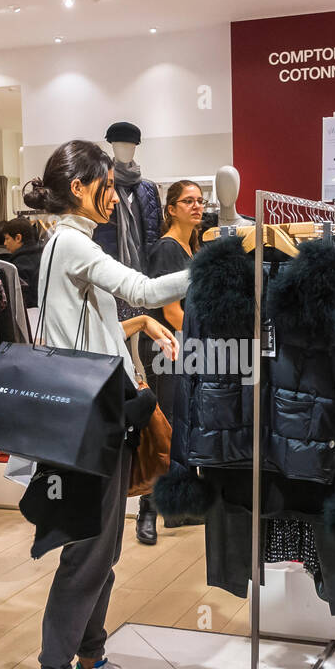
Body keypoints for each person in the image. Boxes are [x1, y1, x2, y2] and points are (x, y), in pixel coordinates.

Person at [22, 139, 189, 669]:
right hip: (90, 419)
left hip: (101, 416)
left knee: (105, 550)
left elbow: (85, 324)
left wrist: (136, 324)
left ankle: (89, 661)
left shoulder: (69, 246)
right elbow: (143, 287)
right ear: (79, 188)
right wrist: (215, 269)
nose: (116, 196)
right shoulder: (69, 243)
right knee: (89, 553)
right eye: (107, 185)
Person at [134, 180, 205, 545]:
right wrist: (205, 335)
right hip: (167, 349)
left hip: (181, 349)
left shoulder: (190, 249)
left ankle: (176, 507)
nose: (196, 206)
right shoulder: (167, 249)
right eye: (187, 201)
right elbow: (170, 310)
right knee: (166, 424)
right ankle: (148, 510)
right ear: (171, 209)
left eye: (199, 201)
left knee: (181, 423)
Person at [0, 217, 44, 307]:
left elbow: (22, 302)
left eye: (7, 238)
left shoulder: (19, 265)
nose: (4, 243)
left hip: (31, 316)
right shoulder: (43, 255)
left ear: (18, 238)